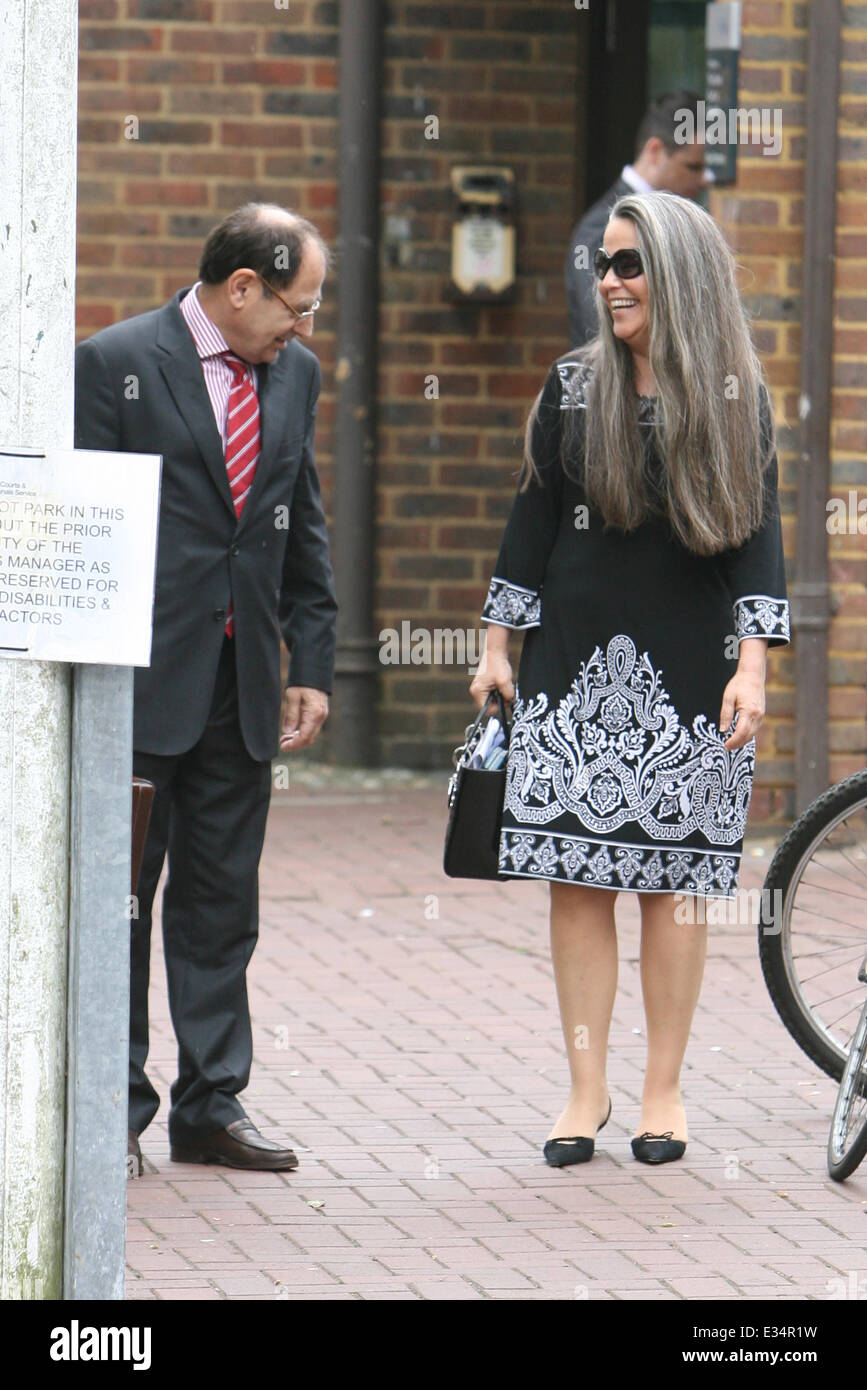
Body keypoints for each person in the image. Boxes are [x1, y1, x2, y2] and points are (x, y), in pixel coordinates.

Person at [471, 191, 789, 1167]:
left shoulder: (737, 394)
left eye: (628, 265)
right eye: (603, 265)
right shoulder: (570, 389)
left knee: (677, 888)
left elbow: (758, 541)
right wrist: (493, 647)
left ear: (680, 275)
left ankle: (663, 1089)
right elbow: (529, 527)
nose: (608, 282)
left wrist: (754, 665)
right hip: (573, 664)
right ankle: (584, 1088)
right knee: (574, 880)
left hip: (693, 675)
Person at [74, 203, 338, 1173]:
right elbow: (80, 528)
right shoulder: (113, 363)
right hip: (136, 685)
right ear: (240, 289)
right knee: (122, 901)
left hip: (241, 688)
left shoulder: (294, 375)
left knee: (222, 903)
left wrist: (309, 657)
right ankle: (113, 1105)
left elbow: (298, 516)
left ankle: (211, 1104)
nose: (303, 328)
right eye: (295, 307)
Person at [564, 91, 706, 347]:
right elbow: (602, 329)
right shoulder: (602, 227)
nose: (703, 180)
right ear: (655, 151)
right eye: (692, 167)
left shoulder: (676, 224)